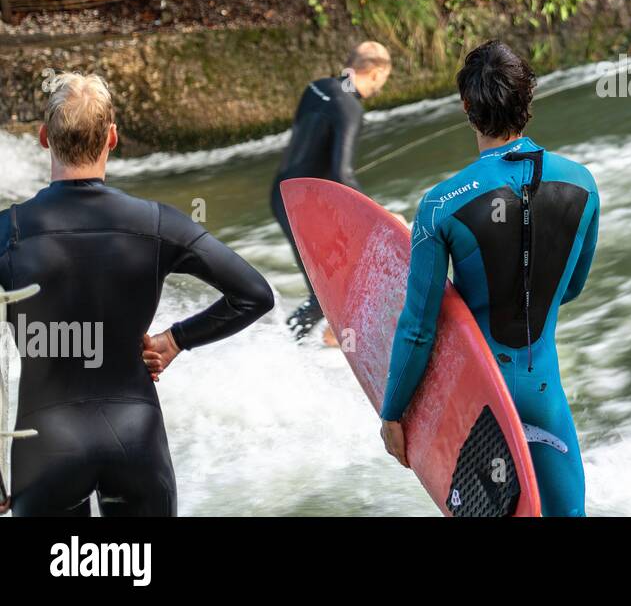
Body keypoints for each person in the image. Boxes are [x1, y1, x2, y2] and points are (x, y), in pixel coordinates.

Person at [0, 73, 273, 517]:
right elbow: (254, 293)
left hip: (45, 448)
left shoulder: (7, 232)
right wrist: (176, 339)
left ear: (43, 137)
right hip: (137, 438)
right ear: (112, 137)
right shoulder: (158, 223)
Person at [379, 41, 600, 517]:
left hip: (480, 402)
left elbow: (419, 326)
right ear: (528, 102)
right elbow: (573, 287)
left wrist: (393, 412)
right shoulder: (583, 183)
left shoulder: (440, 205)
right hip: (545, 397)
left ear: (466, 107)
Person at [273, 42, 392, 341]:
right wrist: (379, 216)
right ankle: (284, 349)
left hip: (283, 196)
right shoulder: (350, 108)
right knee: (324, 297)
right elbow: (343, 174)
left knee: (338, 285)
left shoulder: (317, 87)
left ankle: (334, 336)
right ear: (376, 73)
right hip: (306, 210)